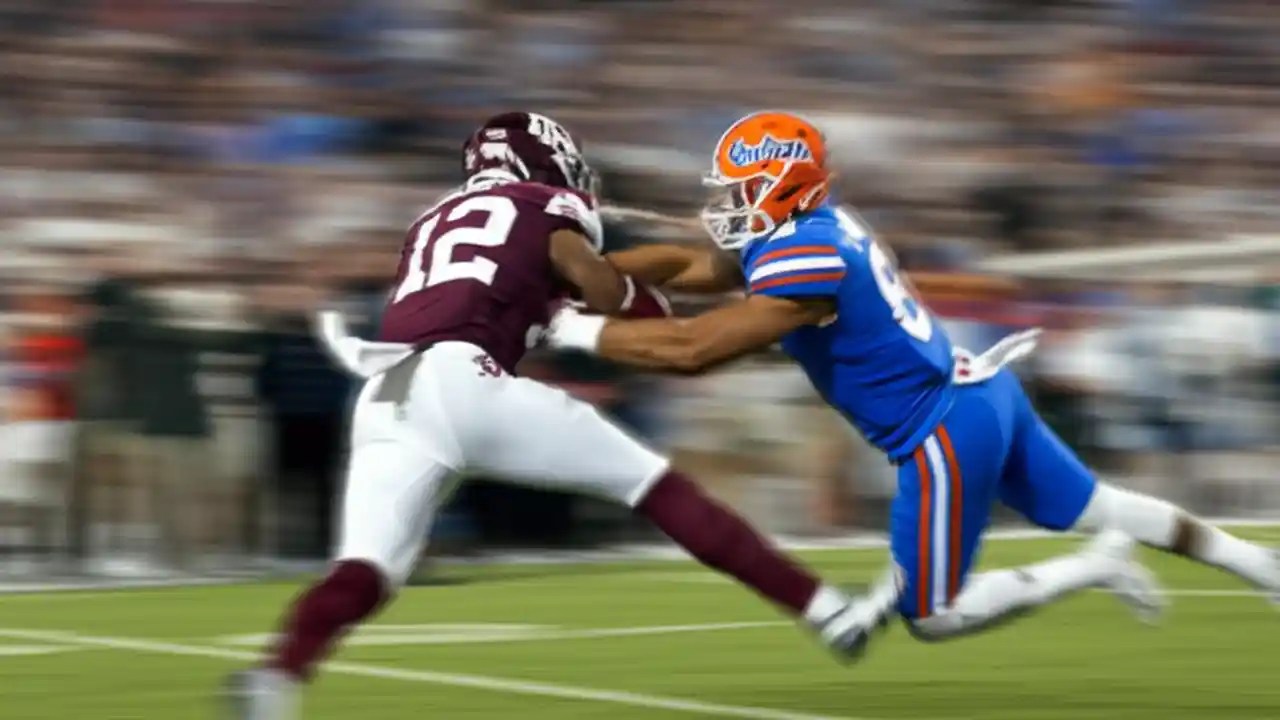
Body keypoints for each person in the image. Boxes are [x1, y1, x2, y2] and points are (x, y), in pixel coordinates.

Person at [226, 112, 892, 719]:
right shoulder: (547, 204)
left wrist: (555, 299)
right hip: (469, 382)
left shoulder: (430, 219)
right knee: (655, 486)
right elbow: (597, 284)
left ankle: (276, 679)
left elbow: (485, 283)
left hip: (387, 392)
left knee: (363, 572)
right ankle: (826, 610)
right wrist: (627, 301)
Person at [547, 110, 1279, 649]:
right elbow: (692, 265)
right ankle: (1260, 565)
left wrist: (572, 329)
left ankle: (1090, 569)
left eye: (742, 191)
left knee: (934, 616)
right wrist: (585, 273)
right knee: (1101, 503)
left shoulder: (807, 259)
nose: (726, 205)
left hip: (940, 430)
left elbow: (694, 350)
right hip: (980, 393)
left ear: (782, 190)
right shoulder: (815, 227)